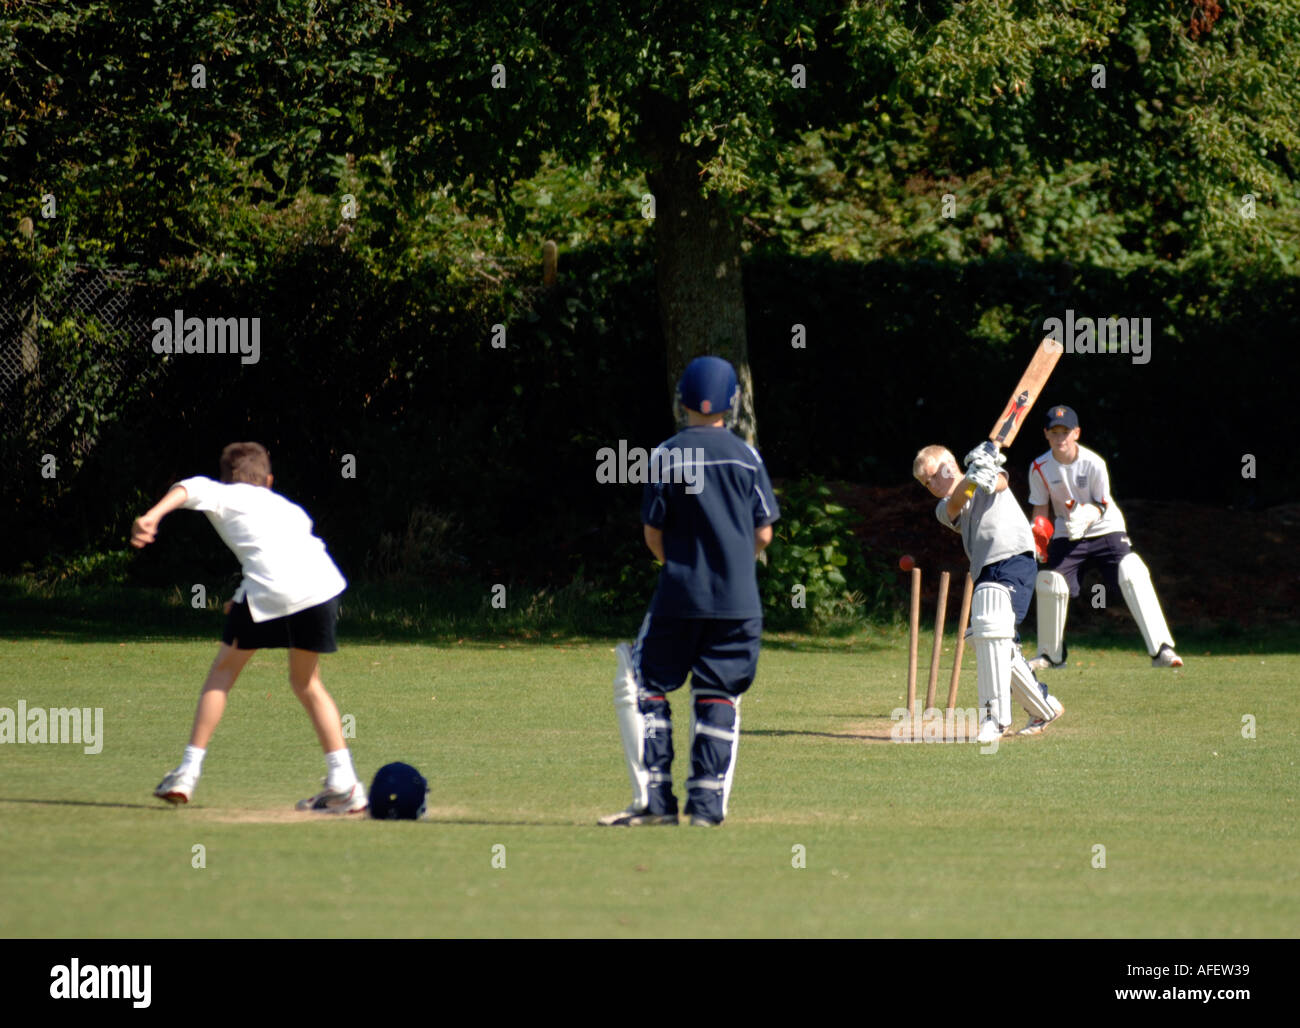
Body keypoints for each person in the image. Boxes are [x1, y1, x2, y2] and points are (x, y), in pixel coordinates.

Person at [130, 442, 366, 812]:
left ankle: (187, 773)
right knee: (307, 682)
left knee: (222, 674)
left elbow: (190, 487)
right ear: (268, 480)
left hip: (273, 591)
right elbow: (282, 557)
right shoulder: (290, 509)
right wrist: (244, 600)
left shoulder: (222, 494)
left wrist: (150, 517)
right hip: (322, 586)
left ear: (226, 478)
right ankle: (345, 783)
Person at [601, 356, 779, 827]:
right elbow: (764, 534)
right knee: (719, 694)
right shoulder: (747, 456)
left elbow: (653, 533)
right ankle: (706, 806)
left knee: (643, 684)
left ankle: (656, 801)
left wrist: (683, 566)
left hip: (681, 594)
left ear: (682, 400)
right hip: (740, 601)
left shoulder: (666, 453)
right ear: (732, 404)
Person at [912, 443, 1064, 741]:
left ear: (947, 466)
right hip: (984, 569)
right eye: (924, 483)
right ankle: (1043, 706)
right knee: (988, 638)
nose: (930, 486)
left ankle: (995, 719)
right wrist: (972, 474)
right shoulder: (945, 507)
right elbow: (958, 500)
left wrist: (985, 467)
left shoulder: (987, 476)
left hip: (1015, 559)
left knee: (992, 628)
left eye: (932, 477)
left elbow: (1000, 482)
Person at [1026, 406, 1183, 671]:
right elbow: (1041, 511)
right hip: (1067, 533)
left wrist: (1085, 516)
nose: (1060, 437)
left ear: (1076, 433)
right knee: (1050, 582)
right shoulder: (1039, 467)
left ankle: (1161, 650)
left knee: (1133, 571)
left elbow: (1101, 503)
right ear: (1046, 434)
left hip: (1105, 528)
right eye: (1054, 432)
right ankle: (1051, 657)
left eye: (1065, 432)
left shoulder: (1094, 463)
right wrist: (1039, 538)